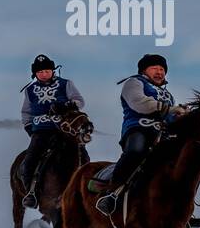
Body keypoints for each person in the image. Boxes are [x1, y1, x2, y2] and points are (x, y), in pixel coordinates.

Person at [96, 53, 188, 216]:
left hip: (163, 135)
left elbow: (169, 117)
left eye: (162, 69)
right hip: (138, 129)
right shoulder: (134, 83)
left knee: (180, 162)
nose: (159, 72)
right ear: (144, 70)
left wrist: (181, 116)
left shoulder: (168, 95)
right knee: (136, 151)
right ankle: (112, 194)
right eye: (155, 68)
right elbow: (139, 103)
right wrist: (170, 109)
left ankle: (182, 207)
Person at [19, 54, 85, 208]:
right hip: (41, 131)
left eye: (47, 71)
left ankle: (82, 191)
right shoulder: (30, 90)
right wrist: (29, 126)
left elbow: (79, 101)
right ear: (35, 74)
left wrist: (66, 106)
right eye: (40, 72)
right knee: (29, 161)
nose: (44, 74)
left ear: (53, 71)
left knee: (83, 157)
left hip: (64, 130)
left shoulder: (65, 84)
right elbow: (26, 112)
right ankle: (31, 193)